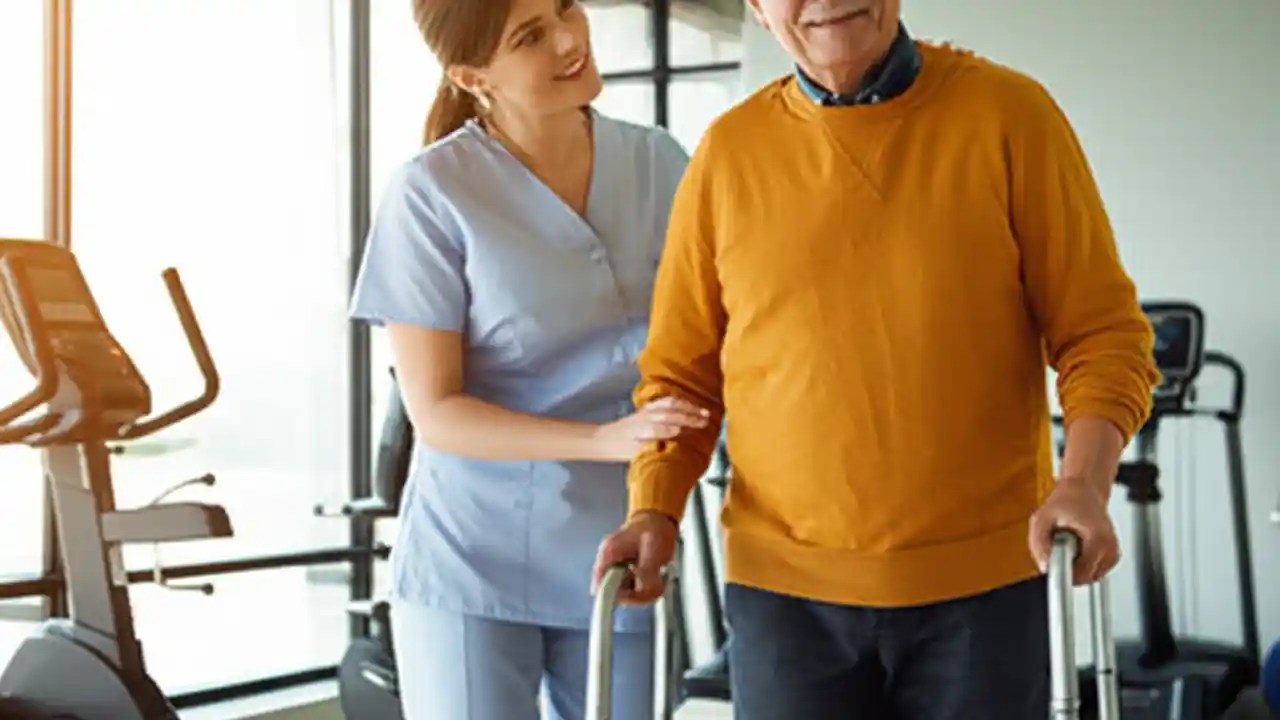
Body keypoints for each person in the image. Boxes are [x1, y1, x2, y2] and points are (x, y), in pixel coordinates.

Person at [593, 0, 1161, 718]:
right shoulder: (728, 154)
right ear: (758, 10)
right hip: (786, 601)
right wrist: (654, 509)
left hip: (986, 589)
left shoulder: (1010, 116)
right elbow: (682, 376)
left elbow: (1103, 334)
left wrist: (1084, 480)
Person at [347, 0, 706, 717]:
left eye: (566, 8)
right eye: (531, 36)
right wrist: (602, 440)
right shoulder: (432, 193)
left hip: (622, 546)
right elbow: (437, 412)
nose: (571, 39)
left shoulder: (660, 161)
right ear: (473, 76)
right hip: (472, 558)